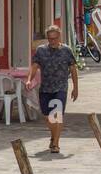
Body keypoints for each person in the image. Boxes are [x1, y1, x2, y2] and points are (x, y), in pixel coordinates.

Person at [26, 26, 78, 156]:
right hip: (45, 88)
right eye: (50, 39)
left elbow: (73, 70)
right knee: (47, 117)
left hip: (60, 87)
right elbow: (35, 66)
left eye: (55, 38)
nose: (52, 41)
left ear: (59, 37)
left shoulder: (67, 50)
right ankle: (54, 135)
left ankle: (55, 144)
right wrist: (29, 79)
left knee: (57, 115)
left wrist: (75, 88)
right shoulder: (41, 51)